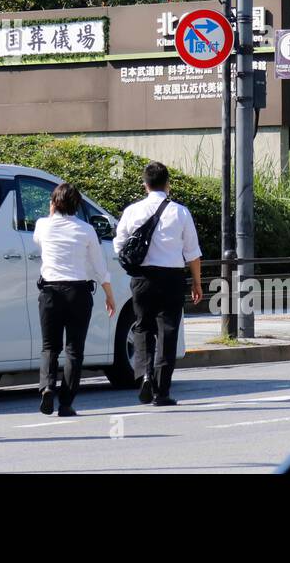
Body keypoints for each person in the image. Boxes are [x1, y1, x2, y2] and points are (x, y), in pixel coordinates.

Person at [113, 162, 203, 407]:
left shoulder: (132, 211)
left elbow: (118, 245)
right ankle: (161, 391)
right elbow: (193, 253)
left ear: (145, 185)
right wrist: (196, 282)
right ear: (168, 185)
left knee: (142, 327)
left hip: (142, 279)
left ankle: (144, 375)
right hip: (172, 278)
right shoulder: (180, 212)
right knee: (168, 331)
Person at [32, 182, 115, 417]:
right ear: (77, 205)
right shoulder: (87, 230)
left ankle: (47, 387)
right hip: (78, 293)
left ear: (53, 203)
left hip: (49, 292)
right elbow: (100, 267)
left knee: (50, 346)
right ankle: (66, 403)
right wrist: (109, 295)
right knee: (74, 350)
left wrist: (51, 214)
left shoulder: (42, 226)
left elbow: (38, 240)